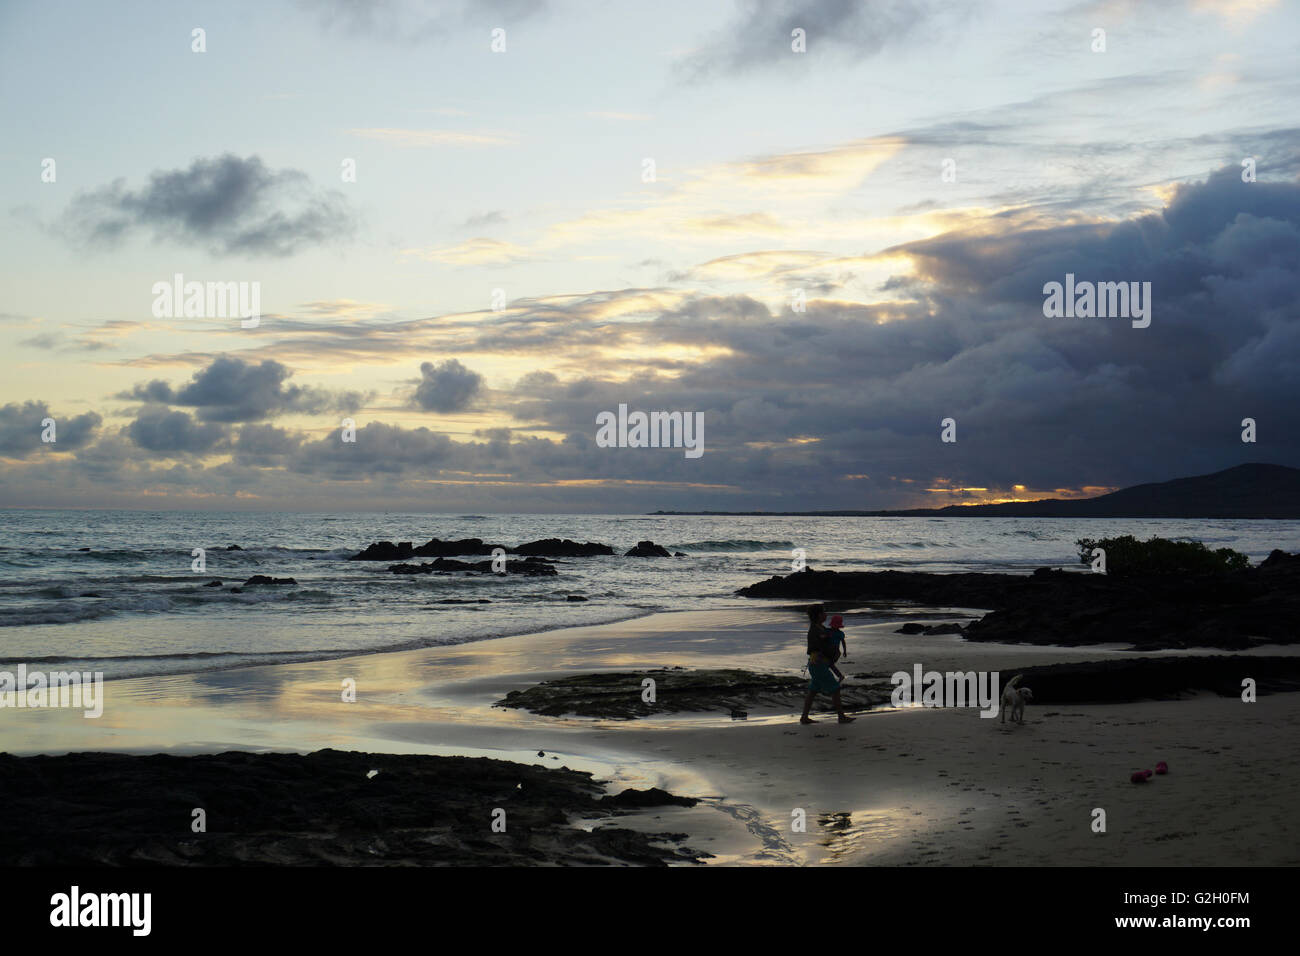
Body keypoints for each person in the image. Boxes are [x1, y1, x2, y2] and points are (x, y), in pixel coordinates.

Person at [800, 605, 854, 724]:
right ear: (819, 615)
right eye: (824, 613)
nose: (826, 615)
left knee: (813, 691)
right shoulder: (816, 630)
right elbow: (822, 646)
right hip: (818, 664)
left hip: (817, 665)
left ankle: (804, 717)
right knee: (835, 688)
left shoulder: (820, 627)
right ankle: (841, 717)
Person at [824, 613, 848, 683]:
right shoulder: (828, 631)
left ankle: (836, 677)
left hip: (835, 652)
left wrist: (845, 651)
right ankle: (839, 676)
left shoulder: (838, 633)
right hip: (830, 652)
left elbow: (843, 642)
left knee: (829, 665)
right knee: (829, 665)